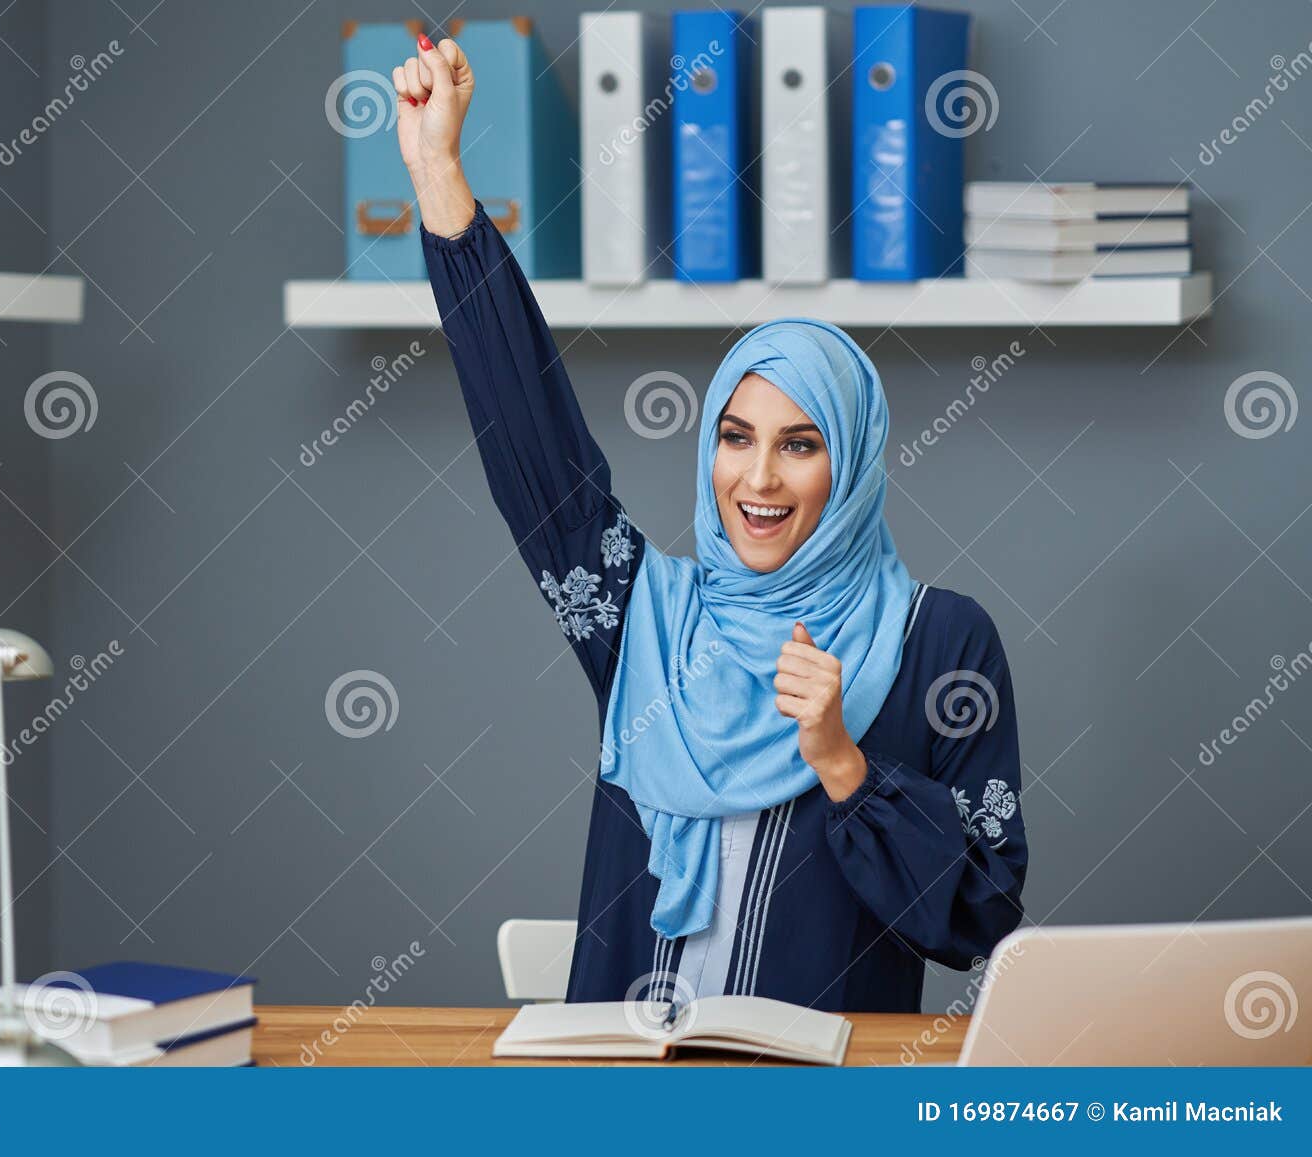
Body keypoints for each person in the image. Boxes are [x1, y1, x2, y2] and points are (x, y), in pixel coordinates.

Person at [391, 34, 1026, 1011]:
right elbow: (529, 433)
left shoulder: (942, 642)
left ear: (849, 465)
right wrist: (438, 171)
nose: (757, 477)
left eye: (800, 444)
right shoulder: (641, 612)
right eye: (735, 436)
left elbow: (983, 911)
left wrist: (845, 765)